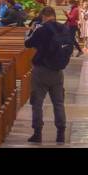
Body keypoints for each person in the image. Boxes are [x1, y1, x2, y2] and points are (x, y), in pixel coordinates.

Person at [24, 7, 72, 144]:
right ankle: (61, 134)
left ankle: (37, 133)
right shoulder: (64, 29)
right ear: (54, 15)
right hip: (57, 71)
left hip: (41, 70)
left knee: (37, 102)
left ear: (44, 16)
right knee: (58, 103)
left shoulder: (41, 29)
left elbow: (27, 43)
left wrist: (31, 30)